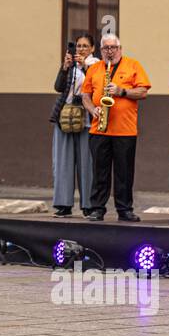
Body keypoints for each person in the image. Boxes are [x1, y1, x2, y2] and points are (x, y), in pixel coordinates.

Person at [80, 35, 151, 222]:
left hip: (125, 131)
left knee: (124, 173)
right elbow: (85, 96)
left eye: (113, 47)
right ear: (101, 50)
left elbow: (143, 92)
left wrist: (122, 91)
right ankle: (97, 209)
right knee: (99, 172)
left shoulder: (133, 65)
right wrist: (91, 109)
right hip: (99, 129)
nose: (110, 51)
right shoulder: (94, 69)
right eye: (106, 48)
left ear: (120, 48)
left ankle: (125, 209)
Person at [51, 35, 97, 217]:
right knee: (63, 162)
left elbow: (97, 84)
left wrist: (85, 66)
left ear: (92, 48)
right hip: (65, 116)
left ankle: (88, 204)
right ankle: (63, 204)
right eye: (78, 46)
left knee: (87, 163)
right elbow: (58, 87)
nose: (81, 49)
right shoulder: (70, 65)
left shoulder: (96, 65)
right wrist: (65, 68)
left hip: (86, 117)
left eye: (85, 46)